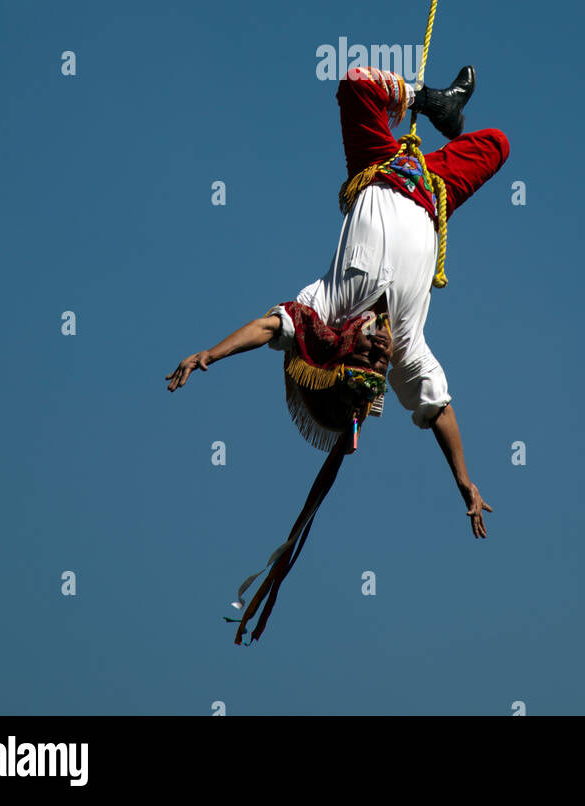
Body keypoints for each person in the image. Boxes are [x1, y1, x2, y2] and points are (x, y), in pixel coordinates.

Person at [166, 64, 510, 641]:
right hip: (435, 192)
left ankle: (431, 100)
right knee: (498, 144)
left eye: (369, 352)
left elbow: (269, 326)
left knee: (354, 85)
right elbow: (436, 409)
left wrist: (209, 354)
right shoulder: (407, 349)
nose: (381, 347)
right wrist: (464, 482)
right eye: (382, 357)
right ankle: (443, 110)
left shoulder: (327, 309)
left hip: (378, 167)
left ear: (344, 350)